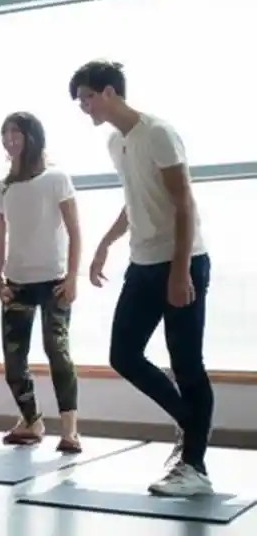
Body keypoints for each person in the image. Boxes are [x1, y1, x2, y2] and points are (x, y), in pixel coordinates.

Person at [69, 60, 213, 497]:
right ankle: (190, 424)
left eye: (87, 98)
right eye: (80, 101)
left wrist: (180, 271)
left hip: (181, 261)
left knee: (186, 363)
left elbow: (184, 203)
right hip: (143, 263)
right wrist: (104, 244)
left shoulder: (158, 133)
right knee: (124, 354)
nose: (84, 107)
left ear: (109, 92)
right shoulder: (117, 142)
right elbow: (135, 201)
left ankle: (194, 467)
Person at [0, 112, 82, 453]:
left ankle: (70, 430)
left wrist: (72, 277)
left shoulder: (56, 178)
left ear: (33, 137)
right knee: (14, 361)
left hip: (55, 281)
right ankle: (31, 421)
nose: (10, 139)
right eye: (6, 133)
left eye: (17, 132)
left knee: (58, 351)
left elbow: (74, 231)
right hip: (17, 283)